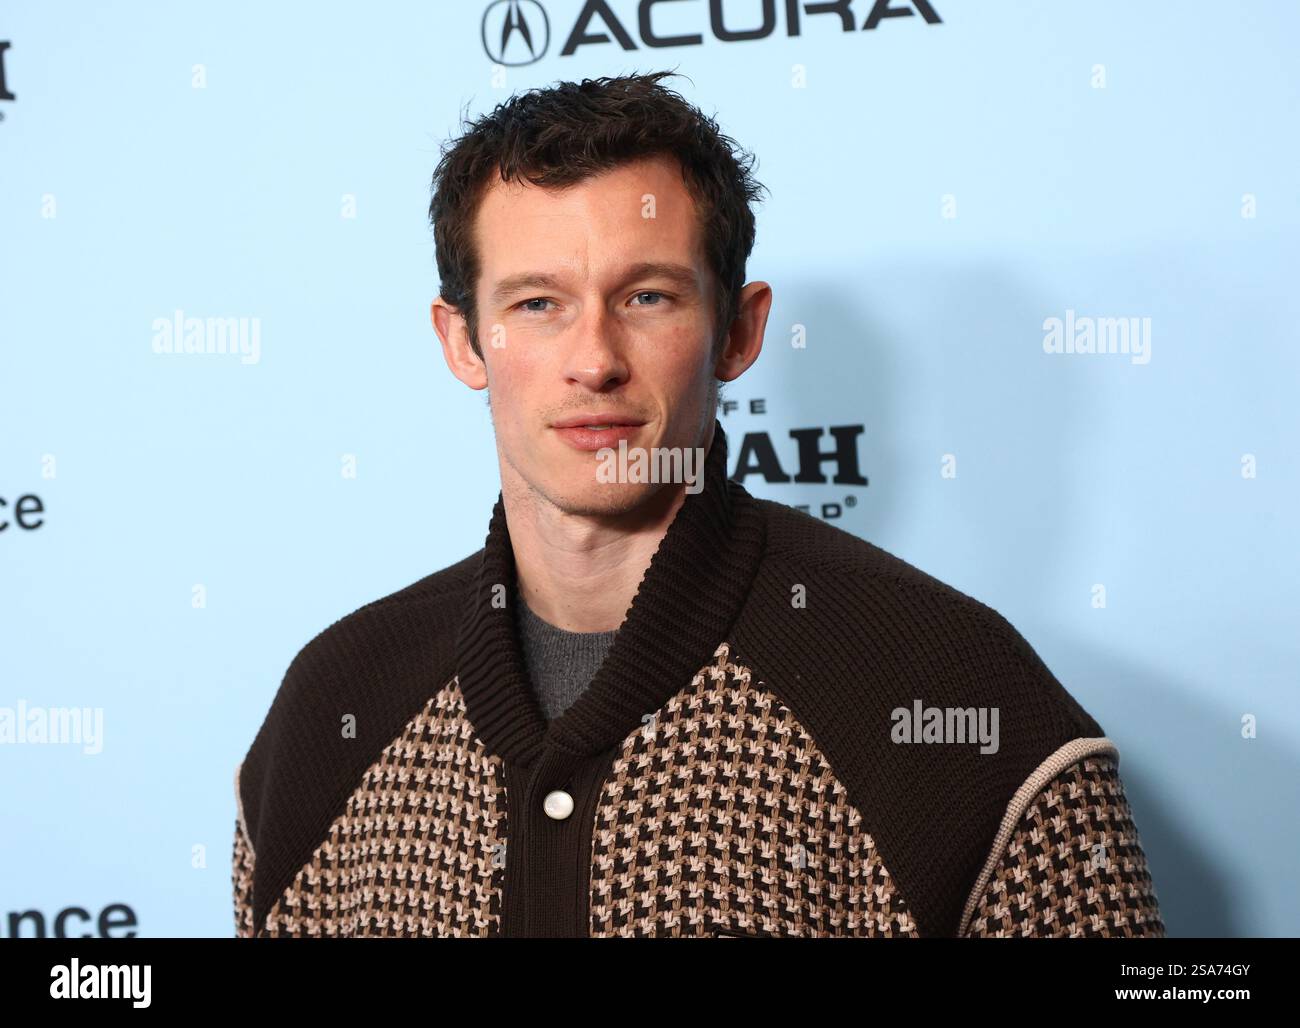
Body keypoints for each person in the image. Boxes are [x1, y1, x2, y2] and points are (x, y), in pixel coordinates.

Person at [233, 70, 1164, 938]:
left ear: (739, 331)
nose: (593, 359)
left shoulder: (953, 695)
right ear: (463, 342)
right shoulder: (333, 708)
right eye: (536, 304)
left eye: (645, 296)